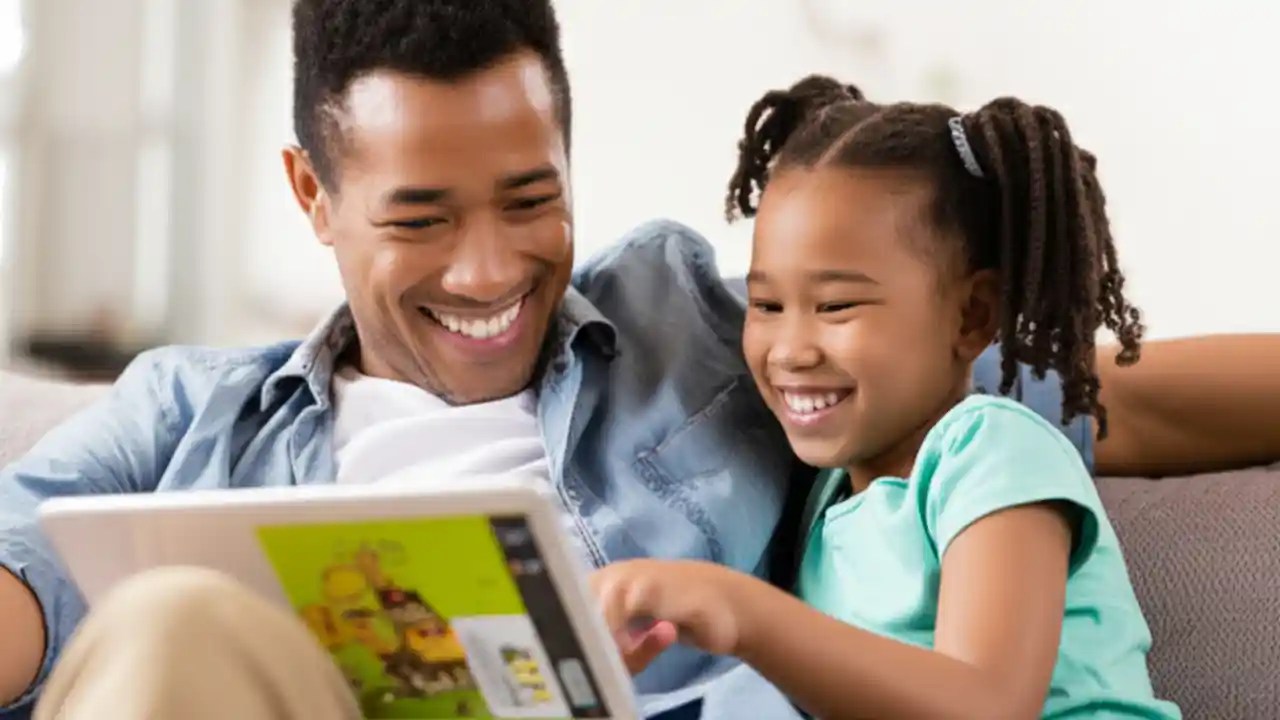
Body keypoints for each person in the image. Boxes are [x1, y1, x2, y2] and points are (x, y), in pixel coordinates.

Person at [0, 1, 1275, 718]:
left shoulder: (721, 339)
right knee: (171, 617)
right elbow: (23, 581)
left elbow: (1098, 396)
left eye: (527, 199)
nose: (489, 272)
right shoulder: (183, 414)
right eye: (418, 218)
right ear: (311, 194)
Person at [593, 77, 1183, 719]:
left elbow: (987, 705)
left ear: (971, 317)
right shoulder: (829, 498)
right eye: (766, 304)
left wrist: (743, 612)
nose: (790, 349)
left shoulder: (992, 450)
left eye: (836, 306)